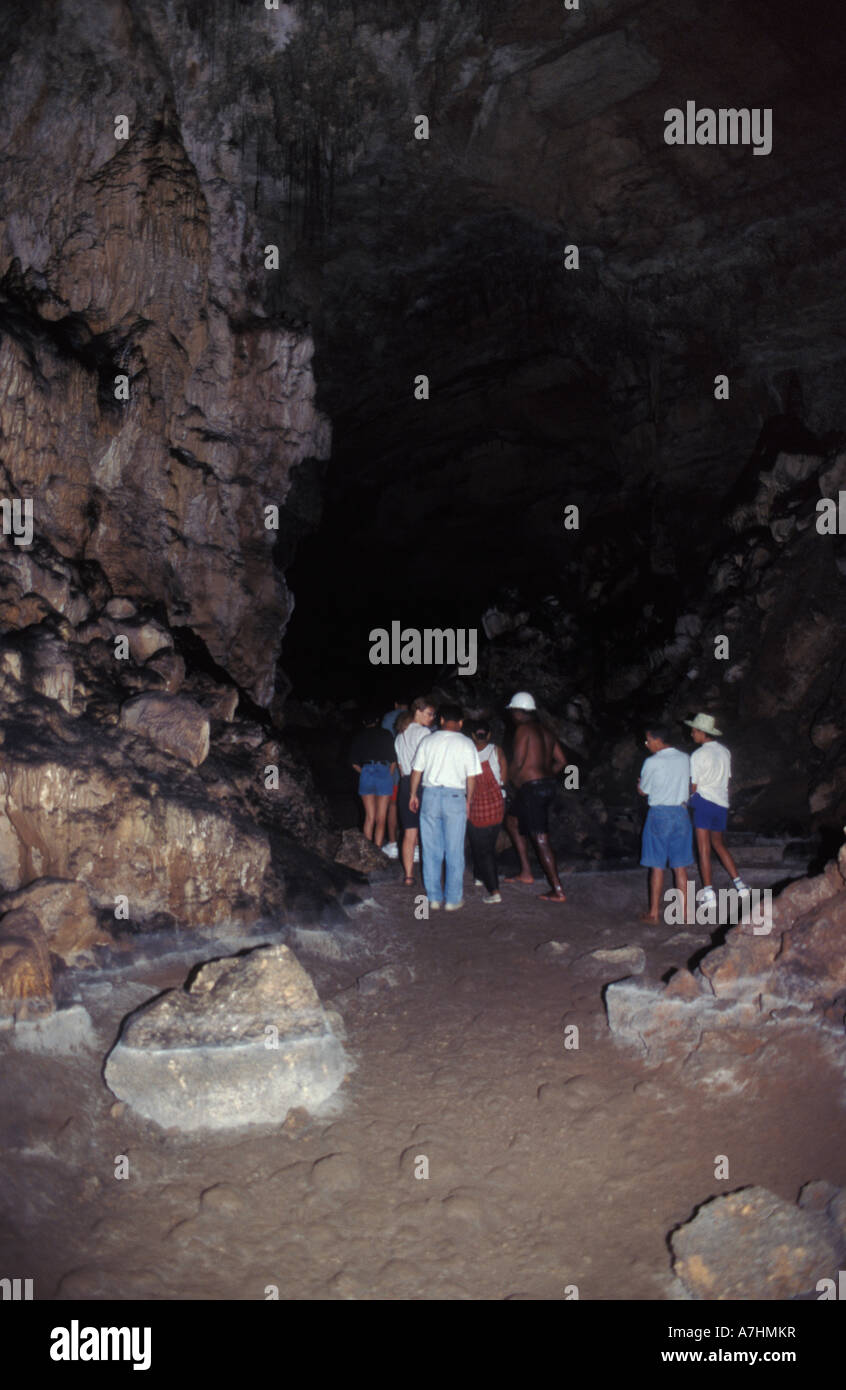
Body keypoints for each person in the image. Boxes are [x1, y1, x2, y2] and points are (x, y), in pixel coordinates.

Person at [409, 703, 481, 911]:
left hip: (430, 795)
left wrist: (413, 795)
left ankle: (433, 898)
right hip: (454, 796)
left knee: (430, 849)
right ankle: (452, 899)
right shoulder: (467, 744)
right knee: (454, 849)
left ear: (441, 721)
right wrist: (469, 801)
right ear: (460, 723)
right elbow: (471, 777)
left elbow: (417, 771)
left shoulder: (428, 740)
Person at [503, 692, 567, 902]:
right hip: (547, 785)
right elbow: (562, 762)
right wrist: (544, 774)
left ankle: (557, 890)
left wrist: (506, 780)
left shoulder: (523, 729)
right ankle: (526, 872)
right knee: (512, 822)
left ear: (518, 712)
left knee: (540, 838)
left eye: (512, 711)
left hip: (533, 789)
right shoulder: (547, 731)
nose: (511, 715)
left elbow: (519, 762)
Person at [685, 713, 750, 903]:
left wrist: (687, 800)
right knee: (719, 844)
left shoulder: (697, 755)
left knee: (703, 849)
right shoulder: (725, 752)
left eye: (694, 731)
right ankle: (740, 885)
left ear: (702, 733)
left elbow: (694, 785)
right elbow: (727, 780)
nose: (691, 734)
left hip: (704, 802)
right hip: (721, 804)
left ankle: (709, 893)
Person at [637, 722, 693, 923]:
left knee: (657, 866)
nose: (647, 744)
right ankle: (685, 913)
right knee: (680, 867)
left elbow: (645, 790)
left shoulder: (652, 762)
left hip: (659, 814)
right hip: (681, 813)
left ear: (657, 740)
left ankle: (653, 913)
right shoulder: (685, 758)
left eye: (648, 740)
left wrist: (640, 786)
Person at [394, 696, 437, 886]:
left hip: (405, 783)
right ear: (417, 711)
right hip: (421, 783)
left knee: (409, 832)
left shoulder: (399, 736)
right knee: (428, 830)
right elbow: (429, 764)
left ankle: (409, 875)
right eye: (429, 714)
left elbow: (402, 767)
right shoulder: (424, 733)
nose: (432, 718)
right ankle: (429, 872)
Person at [467, 718, 508, 903]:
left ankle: (494, 892)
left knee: (482, 849)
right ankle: (479, 876)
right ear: (489, 735)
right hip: (497, 804)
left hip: (477, 805)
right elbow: (504, 778)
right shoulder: (496, 750)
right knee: (487, 845)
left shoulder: (468, 752)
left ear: (472, 735)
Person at [349, 711, 397, 848]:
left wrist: (363, 772)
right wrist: (389, 774)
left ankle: (367, 851)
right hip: (383, 772)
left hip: (367, 772)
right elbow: (393, 760)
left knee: (369, 817)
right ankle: (378, 849)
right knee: (381, 818)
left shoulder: (359, 736)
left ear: (364, 723)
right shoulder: (386, 734)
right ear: (377, 721)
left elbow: (353, 762)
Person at [380, 701, 408, 858]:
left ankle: (392, 843)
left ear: (396, 703)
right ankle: (413, 844)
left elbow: (385, 740)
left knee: (392, 806)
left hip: (392, 766)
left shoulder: (389, 717)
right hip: (409, 767)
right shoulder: (413, 718)